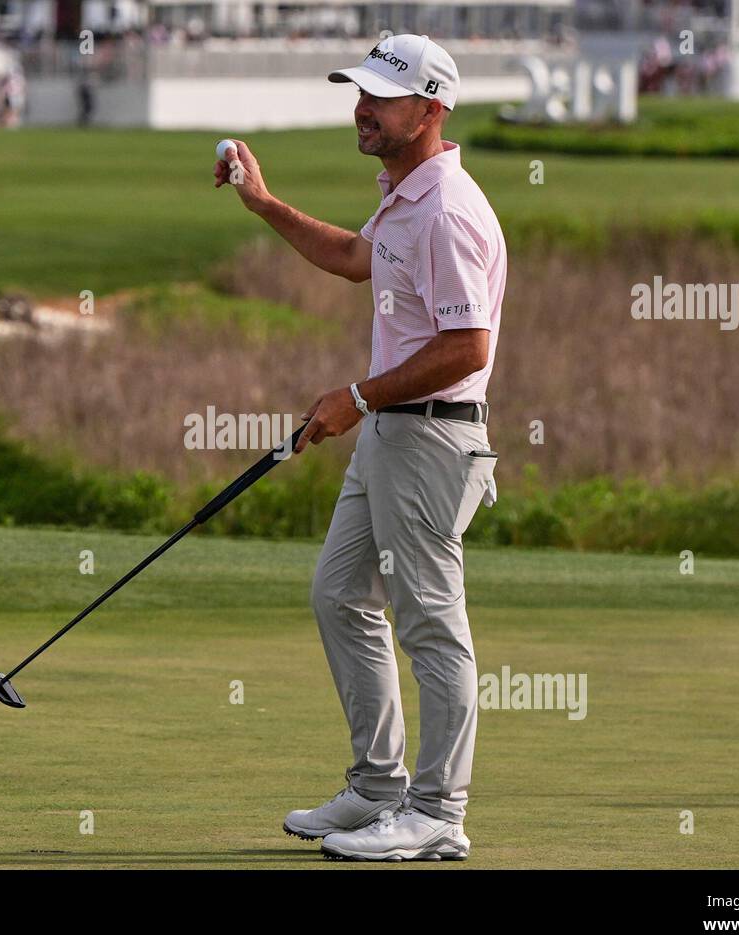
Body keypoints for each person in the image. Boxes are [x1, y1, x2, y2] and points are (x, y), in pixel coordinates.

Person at [215, 34, 506, 862]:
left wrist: (355, 396)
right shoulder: (404, 195)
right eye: (361, 92)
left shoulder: (448, 210)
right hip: (389, 431)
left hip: (433, 438)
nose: (362, 108)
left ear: (431, 107)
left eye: (381, 95)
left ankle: (437, 812)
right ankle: (379, 787)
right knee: (339, 592)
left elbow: (469, 347)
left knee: (430, 626)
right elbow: (353, 257)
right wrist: (265, 203)